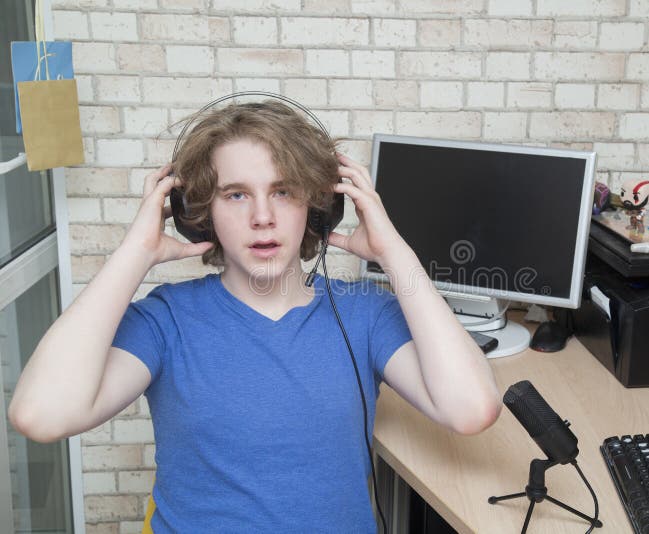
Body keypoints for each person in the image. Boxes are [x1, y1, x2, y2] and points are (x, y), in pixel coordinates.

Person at [8, 101, 502, 532]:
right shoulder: (166, 321)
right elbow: (40, 415)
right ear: (199, 212)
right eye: (236, 194)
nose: (262, 216)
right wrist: (135, 253)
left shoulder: (362, 313)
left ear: (320, 206)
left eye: (284, 191)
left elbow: (470, 409)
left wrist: (394, 252)